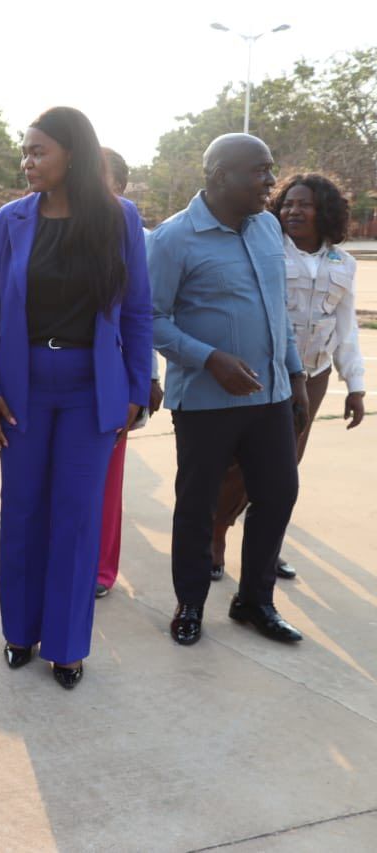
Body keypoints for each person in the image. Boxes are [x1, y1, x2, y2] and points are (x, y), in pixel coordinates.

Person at [0, 107, 152, 689]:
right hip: (23, 384)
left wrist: (133, 384)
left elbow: (139, 309)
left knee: (77, 516)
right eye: (24, 152)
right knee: (23, 510)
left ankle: (68, 645)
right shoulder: (11, 220)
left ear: (72, 153)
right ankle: (19, 632)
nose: (27, 161)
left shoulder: (119, 219)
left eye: (37, 151)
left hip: (89, 388)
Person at [150, 133, 311, 647]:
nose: (271, 181)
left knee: (278, 493)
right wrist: (209, 358)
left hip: (270, 397)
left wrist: (296, 376)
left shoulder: (266, 228)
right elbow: (148, 319)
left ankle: (254, 601)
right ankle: (190, 603)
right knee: (196, 505)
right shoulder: (173, 238)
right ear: (220, 175)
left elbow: (275, 307)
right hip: (205, 402)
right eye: (259, 170)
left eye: (271, 168)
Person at [209, 173, 365, 582]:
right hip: (265, 371)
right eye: (288, 204)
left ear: (325, 211)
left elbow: (346, 329)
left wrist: (356, 386)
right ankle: (216, 535)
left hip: (313, 376)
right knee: (240, 468)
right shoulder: (268, 250)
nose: (294, 211)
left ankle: (266, 547)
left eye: (305, 204)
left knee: (283, 472)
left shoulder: (343, 264)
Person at [95, 147, 165, 599]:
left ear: (119, 186)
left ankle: (100, 570)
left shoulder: (129, 231)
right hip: (56, 380)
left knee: (106, 484)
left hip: (113, 379)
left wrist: (146, 380)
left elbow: (142, 313)